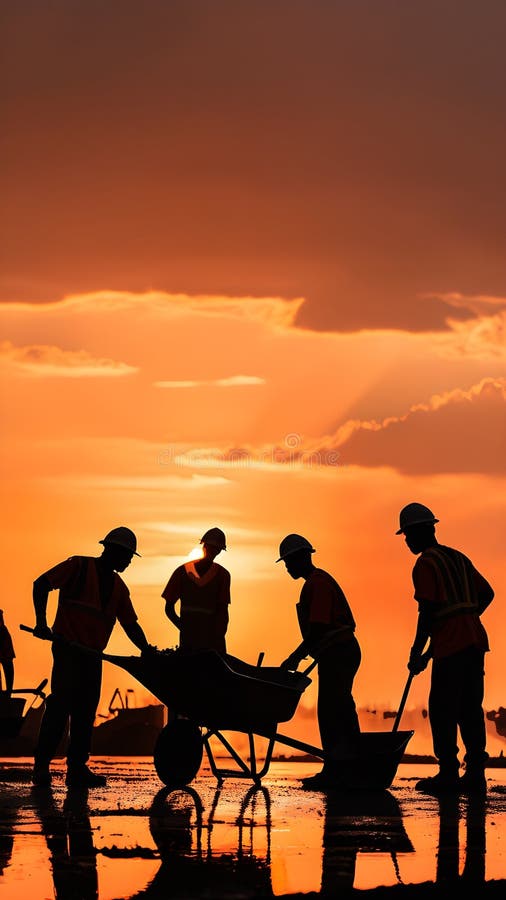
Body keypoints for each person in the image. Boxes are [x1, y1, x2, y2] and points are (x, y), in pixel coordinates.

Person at [31, 526, 154, 788]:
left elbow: (130, 624)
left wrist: (146, 649)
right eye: (128, 556)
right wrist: (41, 623)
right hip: (68, 649)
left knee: (85, 711)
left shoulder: (119, 588)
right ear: (113, 551)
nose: (130, 561)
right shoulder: (78, 567)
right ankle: (41, 767)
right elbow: (41, 584)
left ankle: (76, 768)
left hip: (92, 656)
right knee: (60, 706)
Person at [396, 502, 494, 796]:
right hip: (474, 642)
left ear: (421, 532)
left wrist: (416, 651)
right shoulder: (458, 557)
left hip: (451, 647)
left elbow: (427, 611)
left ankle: (449, 773)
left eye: (408, 535)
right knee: (470, 709)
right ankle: (475, 775)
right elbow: (486, 593)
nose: (407, 542)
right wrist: (467, 616)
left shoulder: (426, 563)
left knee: (442, 709)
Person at [277, 534, 361, 790]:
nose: (288, 567)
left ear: (301, 558)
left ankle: (337, 767)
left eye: (289, 562)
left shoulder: (318, 584)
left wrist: (295, 656)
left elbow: (317, 628)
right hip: (335, 651)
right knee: (340, 707)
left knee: (331, 710)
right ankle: (346, 763)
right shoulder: (314, 583)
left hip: (340, 651)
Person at [162, 527, 231, 654]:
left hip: (213, 646)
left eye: (216, 549)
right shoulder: (182, 572)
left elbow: (223, 613)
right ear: (204, 546)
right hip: (189, 645)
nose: (213, 551)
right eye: (211, 547)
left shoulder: (223, 575)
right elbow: (169, 608)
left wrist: (217, 638)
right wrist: (184, 629)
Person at [0, 609, 15, 695]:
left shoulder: (4, 634)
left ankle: (8, 693)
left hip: (6, 653)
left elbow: (8, 662)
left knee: (8, 664)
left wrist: (9, 691)